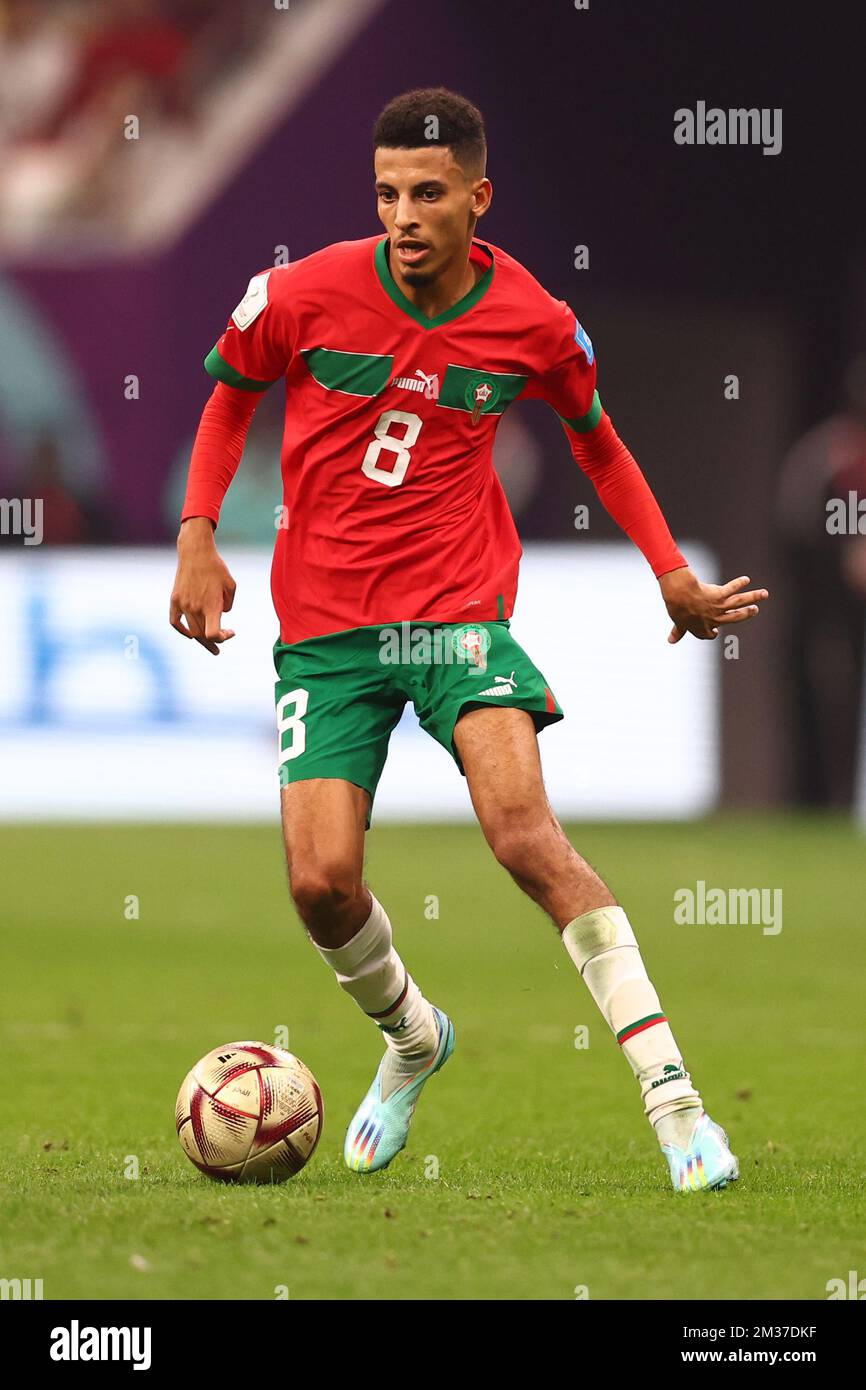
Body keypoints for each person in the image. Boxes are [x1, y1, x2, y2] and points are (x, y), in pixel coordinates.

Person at [170, 88, 768, 1193]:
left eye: (428, 193)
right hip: (328, 633)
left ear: (477, 199)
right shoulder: (301, 294)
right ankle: (412, 1036)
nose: (403, 213)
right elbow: (226, 399)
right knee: (319, 886)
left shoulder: (534, 323)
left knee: (523, 835)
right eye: (388, 192)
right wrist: (199, 534)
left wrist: (669, 574)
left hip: (457, 619)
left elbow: (598, 445)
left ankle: (675, 1104)